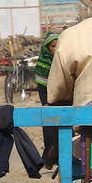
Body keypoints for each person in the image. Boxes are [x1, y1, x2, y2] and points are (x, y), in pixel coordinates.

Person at [33, 29, 61, 168]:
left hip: (63, 102)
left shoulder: (63, 63)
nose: (55, 49)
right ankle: (49, 159)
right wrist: (45, 103)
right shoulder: (42, 66)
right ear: (47, 48)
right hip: (48, 103)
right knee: (49, 132)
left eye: (57, 46)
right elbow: (41, 86)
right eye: (52, 46)